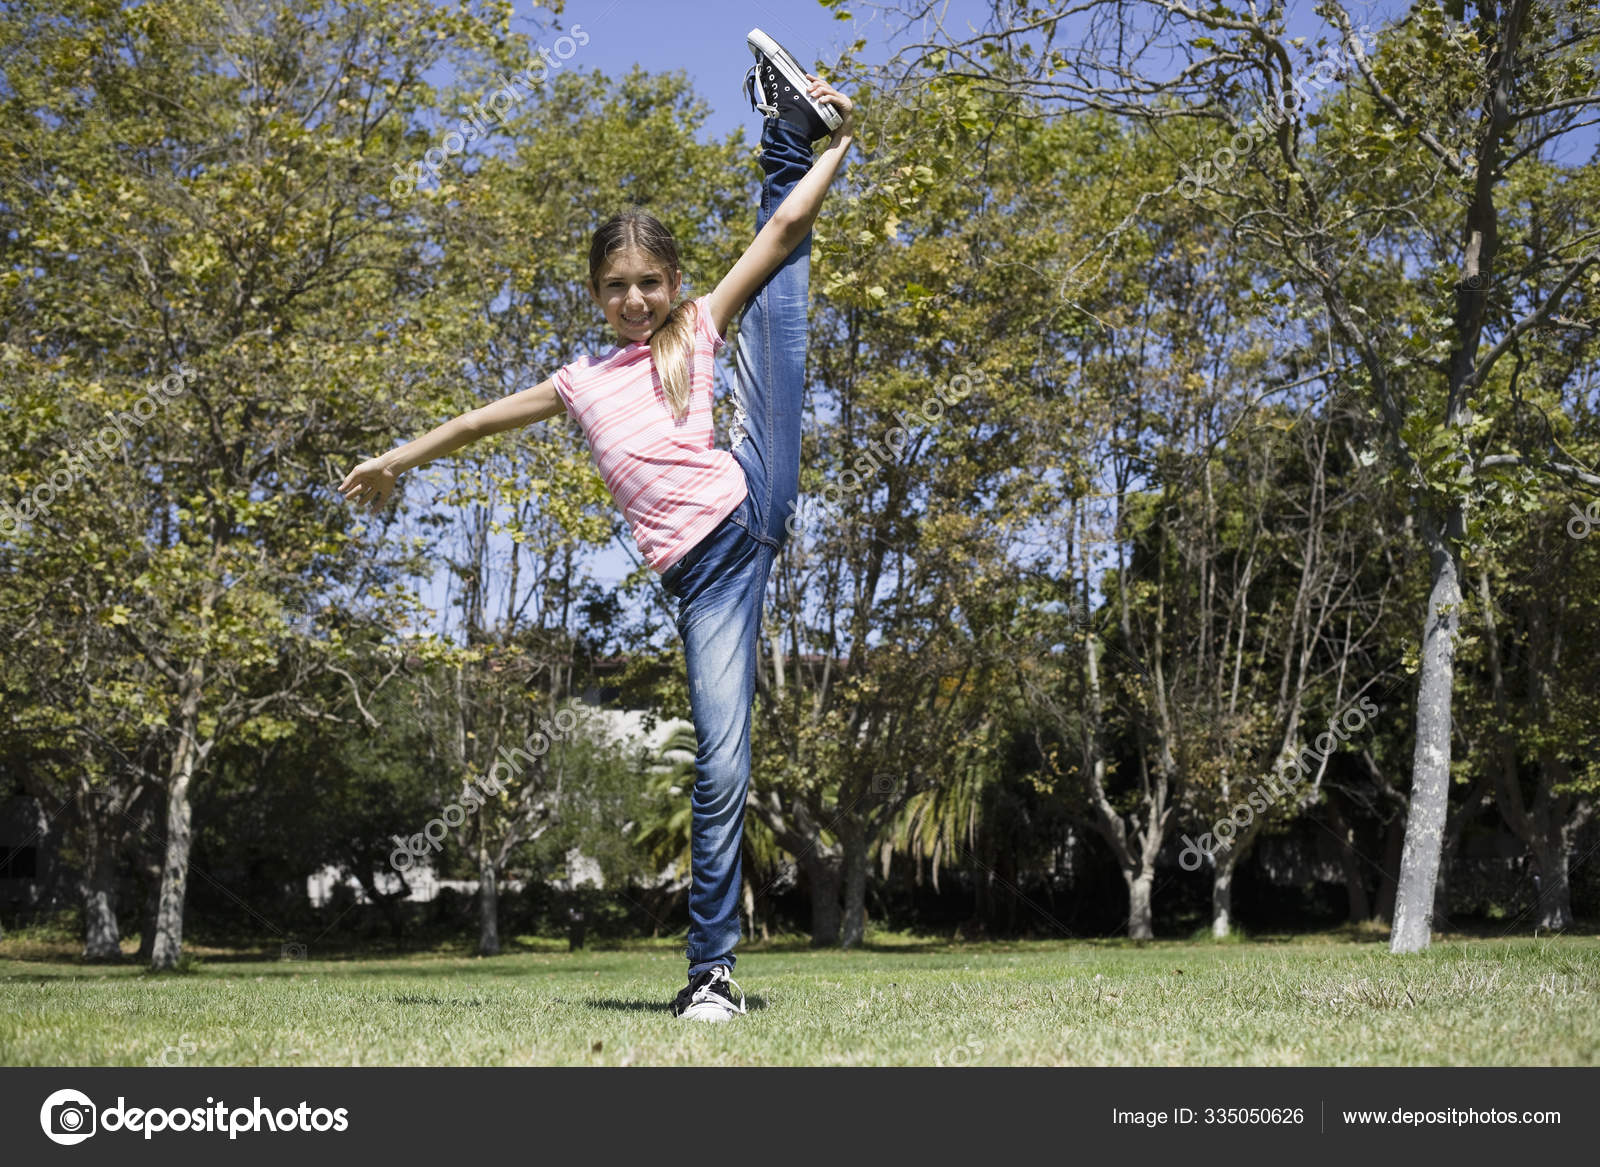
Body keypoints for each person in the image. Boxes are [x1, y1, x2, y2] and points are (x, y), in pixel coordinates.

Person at [339, 29, 854, 1022]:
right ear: (595, 295)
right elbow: (479, 420)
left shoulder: (695, 327)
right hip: (700, 579)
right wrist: (395, 460)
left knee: (779, 326)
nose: (633, 299)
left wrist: (839, 153)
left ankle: (794, 135)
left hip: (743, 506)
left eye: (648, 283)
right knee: (720, 762)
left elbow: (781, 238)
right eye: (616, 287)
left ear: (670, 283)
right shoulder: (577, 383)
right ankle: (713, 975)